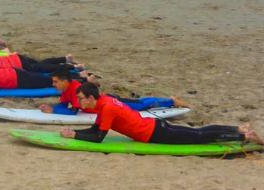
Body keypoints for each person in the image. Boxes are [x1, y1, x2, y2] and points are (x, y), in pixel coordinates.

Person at [61, 82, 259, 145]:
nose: (79, 101)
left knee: (198, 136)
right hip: (153, 125)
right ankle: (239, 129)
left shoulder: (107, 107)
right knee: (197, 132)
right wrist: (76, 132)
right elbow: (96, 128)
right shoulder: (103, 101)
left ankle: (242, 135)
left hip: (153, 133)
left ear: (90, 97)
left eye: (81, 98)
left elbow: (98, 137)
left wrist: (75, 135)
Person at [40, 68, 183, 115]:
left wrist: (53, 111)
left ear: (65, 81)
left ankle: (171, 101)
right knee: (138, 103)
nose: (53, 84)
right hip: (104, 104)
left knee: (140, 106)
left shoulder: (77, 89)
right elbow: (65, 106)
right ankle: (169, 100)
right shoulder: (65, 90)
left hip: (110, 102)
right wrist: (51, 107)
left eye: (55, 81)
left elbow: (73, 111)